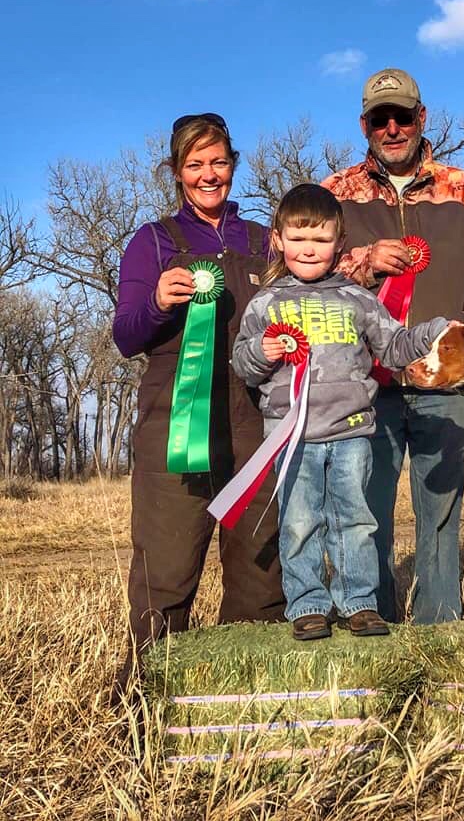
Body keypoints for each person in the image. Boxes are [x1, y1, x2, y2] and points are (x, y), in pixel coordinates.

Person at [112, 113, 285, 690]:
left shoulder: (266, 241)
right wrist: (159, 301)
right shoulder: (152, 241)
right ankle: (149, 703)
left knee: (261, 571)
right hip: (174, 423)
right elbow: (126, 335)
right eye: (195, 165)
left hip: (254, 423)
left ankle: (248, 702)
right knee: (166, 569)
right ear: (176, 173)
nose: (209, 175)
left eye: (218, 162)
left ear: (233, 164)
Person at [322, 68, 464, 624]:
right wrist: (363, 262)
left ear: (423, 118)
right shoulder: (334, 194)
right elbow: (307, 273)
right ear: (365, 125)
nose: (393, 128)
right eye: (381, 119)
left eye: (403, 116)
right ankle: (369, 624)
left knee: (441, 514)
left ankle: (438, 630)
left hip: (441, 383)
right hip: (363, 385)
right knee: (363, 512)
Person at [232, 184, 448, 639]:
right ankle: (308, 602)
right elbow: (243, 367)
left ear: (340, 242)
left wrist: (432, 333)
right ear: (278, 239)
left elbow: (393, 349)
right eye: (298, 238)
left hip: (352, 432)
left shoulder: (358, 299)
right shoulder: (265, 304)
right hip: (291, 439)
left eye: (321, 239)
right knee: (299, 520)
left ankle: (358, 602)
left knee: (355, 519)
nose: (309, 249)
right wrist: (262, 350)